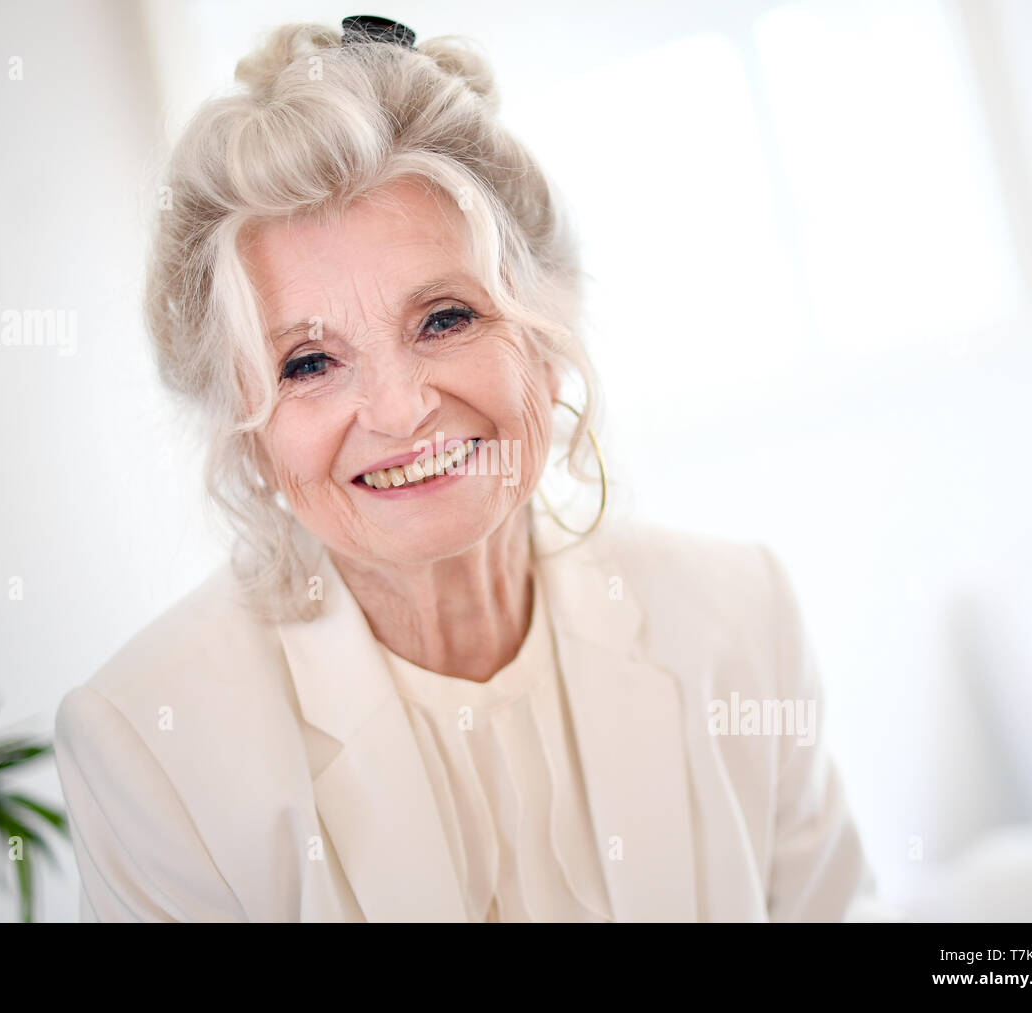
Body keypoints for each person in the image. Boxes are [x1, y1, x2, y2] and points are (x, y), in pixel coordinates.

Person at [53, 16, 881, 922]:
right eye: (308, 363)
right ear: (252, 441)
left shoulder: (738, 613)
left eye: (445, 318)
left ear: (549, 335)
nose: (402, 409)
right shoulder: (149, 745)